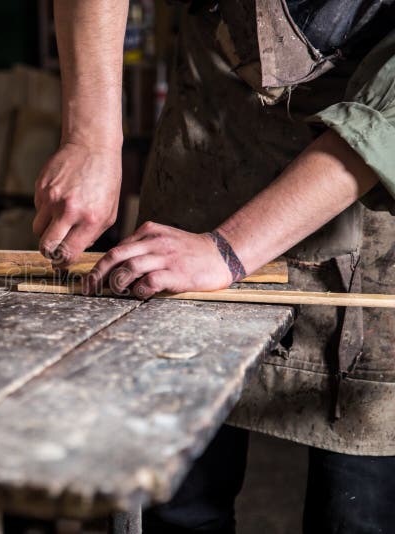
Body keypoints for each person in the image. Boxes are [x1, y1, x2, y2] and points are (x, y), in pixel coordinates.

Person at [33, 1, 395, 532]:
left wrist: (228, 250)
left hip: (369, 223)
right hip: (202, 159)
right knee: (174, 504)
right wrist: (90, 135)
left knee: (356, 512)